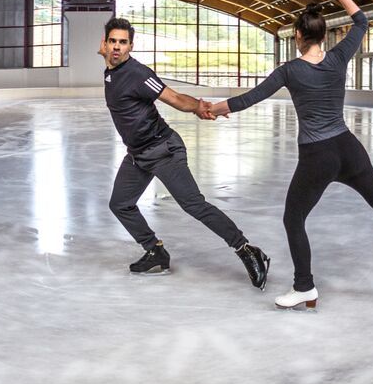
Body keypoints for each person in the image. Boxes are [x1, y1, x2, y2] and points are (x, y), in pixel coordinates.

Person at [207, 0, 373, 310]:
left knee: (293, 218)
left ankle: (305, 287)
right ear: (324, 35)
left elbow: (250, 99)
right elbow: (361, 22)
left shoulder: (289, 70)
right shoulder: (338, 58)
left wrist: (214, 109)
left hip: (318, 155)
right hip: (348, 148)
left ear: (298, 35)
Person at [100, 16, 269, 287]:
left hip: (163, 149)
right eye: (112, 42)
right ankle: (155, 251)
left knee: (194, 204)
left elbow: (175, 98)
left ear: (131, 46)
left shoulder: (138, 74)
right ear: (105, 44)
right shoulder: (111, 69)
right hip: (138, 155)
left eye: (123, 42)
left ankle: (247, 250)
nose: (117, 47)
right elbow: (108, 57)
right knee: (120, 204)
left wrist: (202, 107)